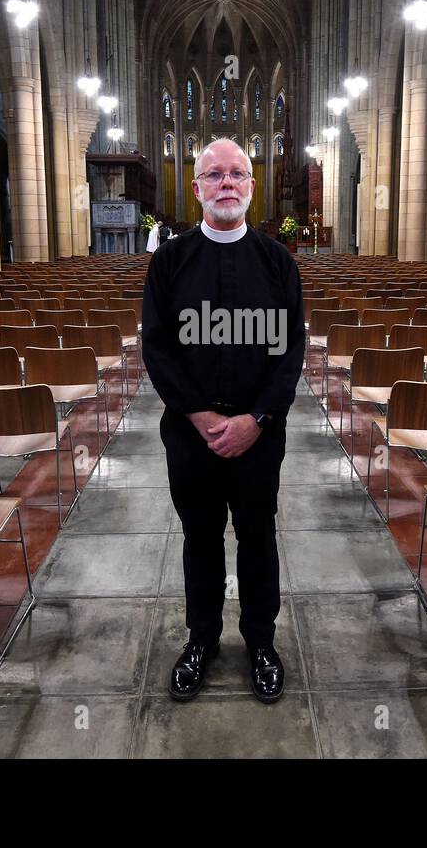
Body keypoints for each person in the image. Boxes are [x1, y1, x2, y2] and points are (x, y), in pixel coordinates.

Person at [142, 138, 305, 704]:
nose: (227, 184)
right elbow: (158, 350)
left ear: (252, 186)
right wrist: (204, 417)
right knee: (201, 539)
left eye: (238, 174)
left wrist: (256, 419)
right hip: (191, 438)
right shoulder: (168, 261)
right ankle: (201, 640)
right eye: (215, 175)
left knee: (258, 539)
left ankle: (261, 641)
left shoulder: (277, 262)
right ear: (197, 188)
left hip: (260, 439)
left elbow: (290, 353)